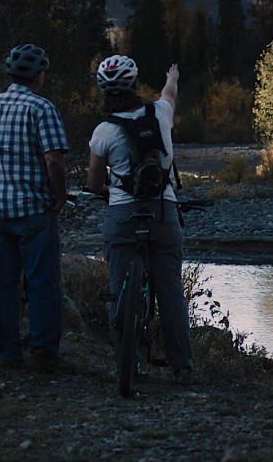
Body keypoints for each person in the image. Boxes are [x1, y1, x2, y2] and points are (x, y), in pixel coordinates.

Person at [87, 56, 196, 385]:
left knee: (119, 292)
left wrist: (110, 189)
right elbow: (170, 94)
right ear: (135, 85)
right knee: (172, 293)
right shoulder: (160, 113)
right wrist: (172, 76)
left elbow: (93, 184)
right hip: (163, 212)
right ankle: (183, 368)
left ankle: (125, 363)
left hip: (123, 215)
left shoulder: (104, 131)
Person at [0, 44, 76, 374]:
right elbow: (53, 159)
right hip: (33, 210)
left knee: (5, 283)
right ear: (40, 75)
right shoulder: (41, 108)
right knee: (42, 284)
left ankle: (9, 354)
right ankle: (45, 354)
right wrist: (60, 196)